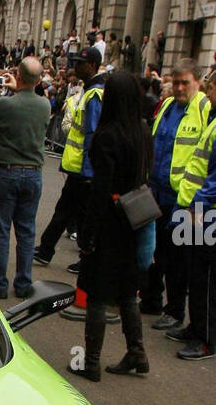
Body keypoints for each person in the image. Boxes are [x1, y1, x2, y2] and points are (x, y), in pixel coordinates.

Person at [69, 70, 153, 380]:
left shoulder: (108, 135)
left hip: (108, 223)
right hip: (135, 218)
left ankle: (91, 362)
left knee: (97, 293)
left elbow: (100, 189)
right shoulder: (143, 132)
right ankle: (137, 351)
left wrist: (87, 233)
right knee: (128, 291)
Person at [141, 62, 211, 329]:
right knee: (156, 250)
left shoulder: (204, 109)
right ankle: (151, 300)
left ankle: (176, 312)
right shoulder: (168, 106)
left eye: (185, 82)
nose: (180, 87)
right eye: (176, 82)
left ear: (198, 82)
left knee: (182, 261)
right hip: (158, 192)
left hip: (190, 202)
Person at [0, 58, 51, 300]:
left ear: (17, 75)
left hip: (7, 172)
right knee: (26, 231)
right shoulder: (45, 106)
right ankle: (23, 283)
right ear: (39, 80)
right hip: (33, 173)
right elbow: (29, 98)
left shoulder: (6, 105)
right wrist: (20, 86)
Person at [33, 47, 104, 267]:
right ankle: (47, 249)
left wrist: (88, 170)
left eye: (80, 64)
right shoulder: (88, 91)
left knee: (77, 215)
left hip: (83, 170)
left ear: (92, 65)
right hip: (77, 168)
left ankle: (84, 258)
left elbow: (92, 134)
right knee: (67, 211)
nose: (75, 68)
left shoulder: (95, 94)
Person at [169, 81, 216, 359]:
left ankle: (206, 338)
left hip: (206, 213)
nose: (209, 94)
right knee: (196, 274)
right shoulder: (212, 121)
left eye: (213, 89)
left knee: (207, 278)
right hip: (199, 211)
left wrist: (194, 206)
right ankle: (197, 326)